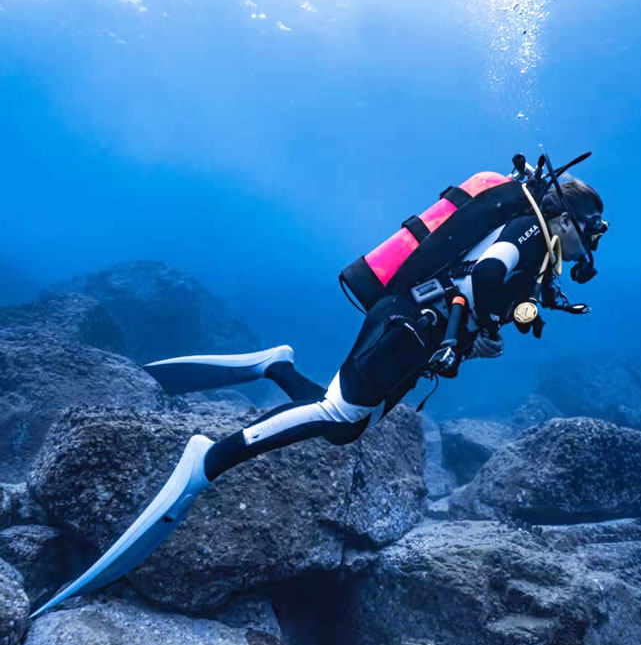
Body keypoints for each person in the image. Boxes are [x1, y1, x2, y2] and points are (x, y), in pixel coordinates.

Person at [31, 158, 607, 618]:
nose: (594, 244)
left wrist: (477, 332)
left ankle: (272, 366)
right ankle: (210, 458)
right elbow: (483, 275)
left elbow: (480, 284)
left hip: (420, 327)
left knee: (347, 426)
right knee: (337, 415)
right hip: (413, 322)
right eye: (595, 229)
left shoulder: (535, 244)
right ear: (572, 217)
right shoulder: (533, 232)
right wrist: (484, 323)